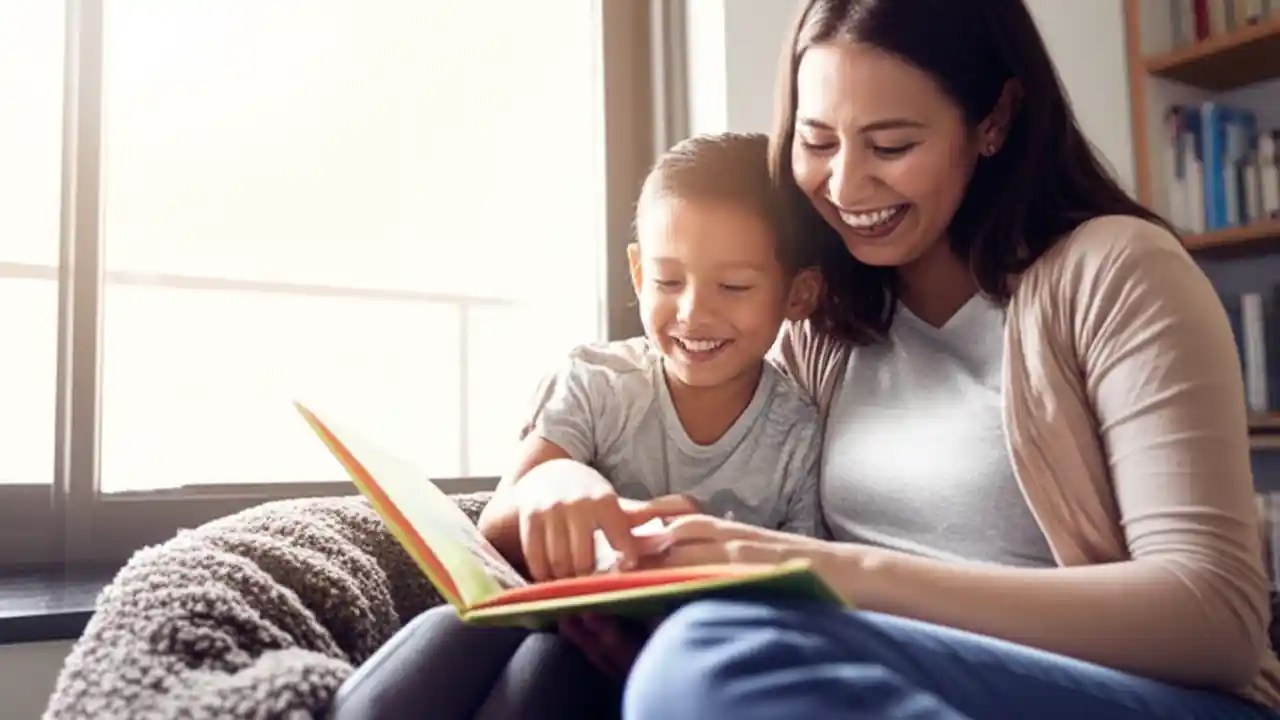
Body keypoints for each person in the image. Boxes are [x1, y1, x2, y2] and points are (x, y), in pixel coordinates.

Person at [620, 0, 1280, 718]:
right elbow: (652, 394)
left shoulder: (1115, 270)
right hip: (891, 663)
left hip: (1139, 693)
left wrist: (826, 571)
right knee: (547, 656)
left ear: (993, 120)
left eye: (891, 146)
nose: (844, 187)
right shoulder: (822, 325)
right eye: (817, 142)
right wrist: (548, 474)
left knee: (710, 660)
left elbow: (1216, 618)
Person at [329, 131, 824, 720]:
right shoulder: (596, 381)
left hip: (684, 668)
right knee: (453, 634)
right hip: (551, 625)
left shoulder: (797, 432)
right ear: (638, 272)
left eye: (734, 287)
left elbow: (808, 608)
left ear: (798, 294)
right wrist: (556, 481)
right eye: (669, 282)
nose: (693, 312)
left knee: (549, 670)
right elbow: (495, 529)